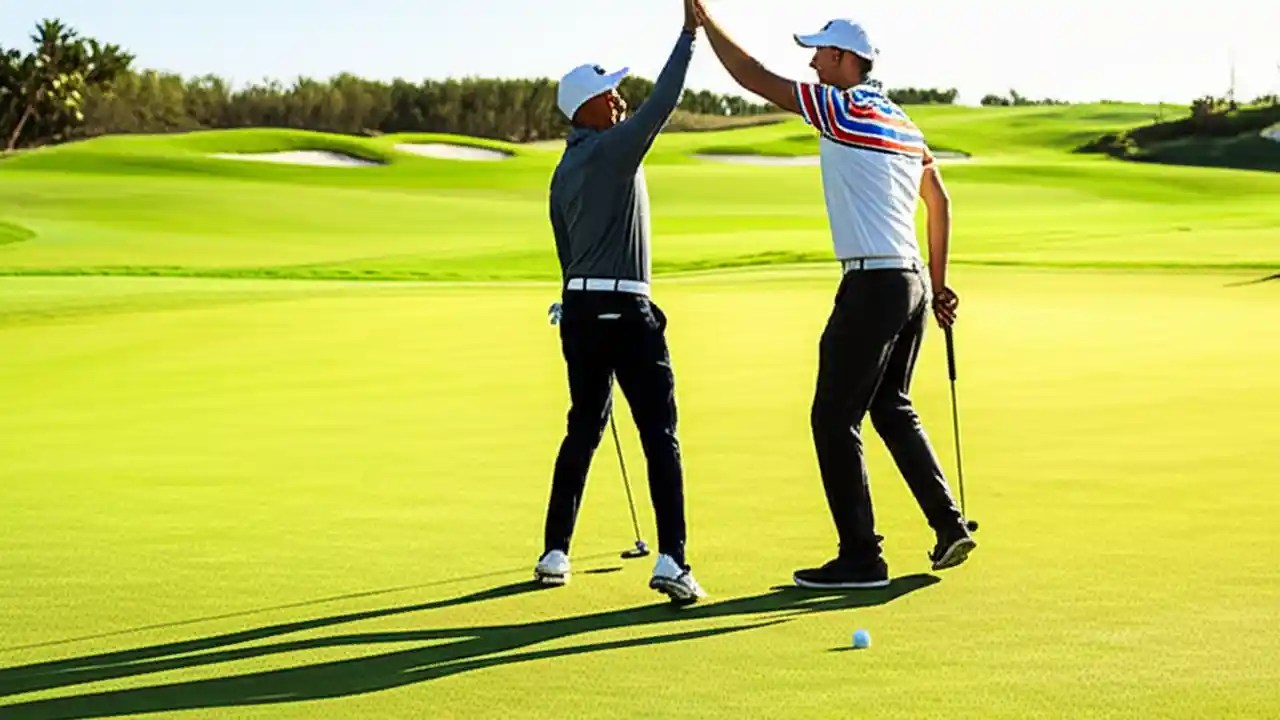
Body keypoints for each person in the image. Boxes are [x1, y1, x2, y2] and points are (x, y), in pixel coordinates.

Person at [691, 2, 977, 589]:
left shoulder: (839, 106)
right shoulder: (903, 122)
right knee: (890, 406)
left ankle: (861, 558)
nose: (813, 60)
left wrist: (703, 19)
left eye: (820, 51)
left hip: (872, 284)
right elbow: (940, 200)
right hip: (912, 284)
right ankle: (949, 525)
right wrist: (939, 283)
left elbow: (749, 76)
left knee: (832, 418)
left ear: (846, 59)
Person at [534, 0, 706, 604]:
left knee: (583, 427)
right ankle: (673, 560)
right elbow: (663, 104)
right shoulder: (614, 148)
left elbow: (563, 249)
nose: (620, 100)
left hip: (579, 314)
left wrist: (576, 299)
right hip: (629, 314)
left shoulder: (561, 171)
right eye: (609, 94)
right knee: (659, 432)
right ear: (586, 107)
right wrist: (689, 36)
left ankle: (554, 552)